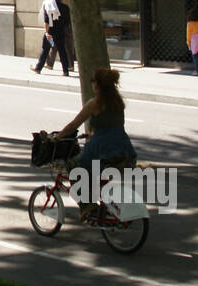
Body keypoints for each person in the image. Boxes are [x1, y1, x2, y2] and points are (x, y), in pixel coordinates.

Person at [53, 67, 137, 220]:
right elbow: (111, 125)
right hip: (123, 149)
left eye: (92, 80)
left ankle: (87, 206)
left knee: (73, 166)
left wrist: (57, 137)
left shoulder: (95, 104)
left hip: (102, 149)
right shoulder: (118, 103)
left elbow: (73, 125)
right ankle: (100, 201)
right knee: (94, 173)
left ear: (97, 85)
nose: (91, 83)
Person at [30, 0, 62, 73]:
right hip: (56, 31)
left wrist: (47, 32)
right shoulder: (56, 4)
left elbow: (47, 20)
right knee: (55, 48)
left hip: (50, 32)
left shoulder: (48, 3)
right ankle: (63, 68)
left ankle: (38, 68)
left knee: (46, 48)